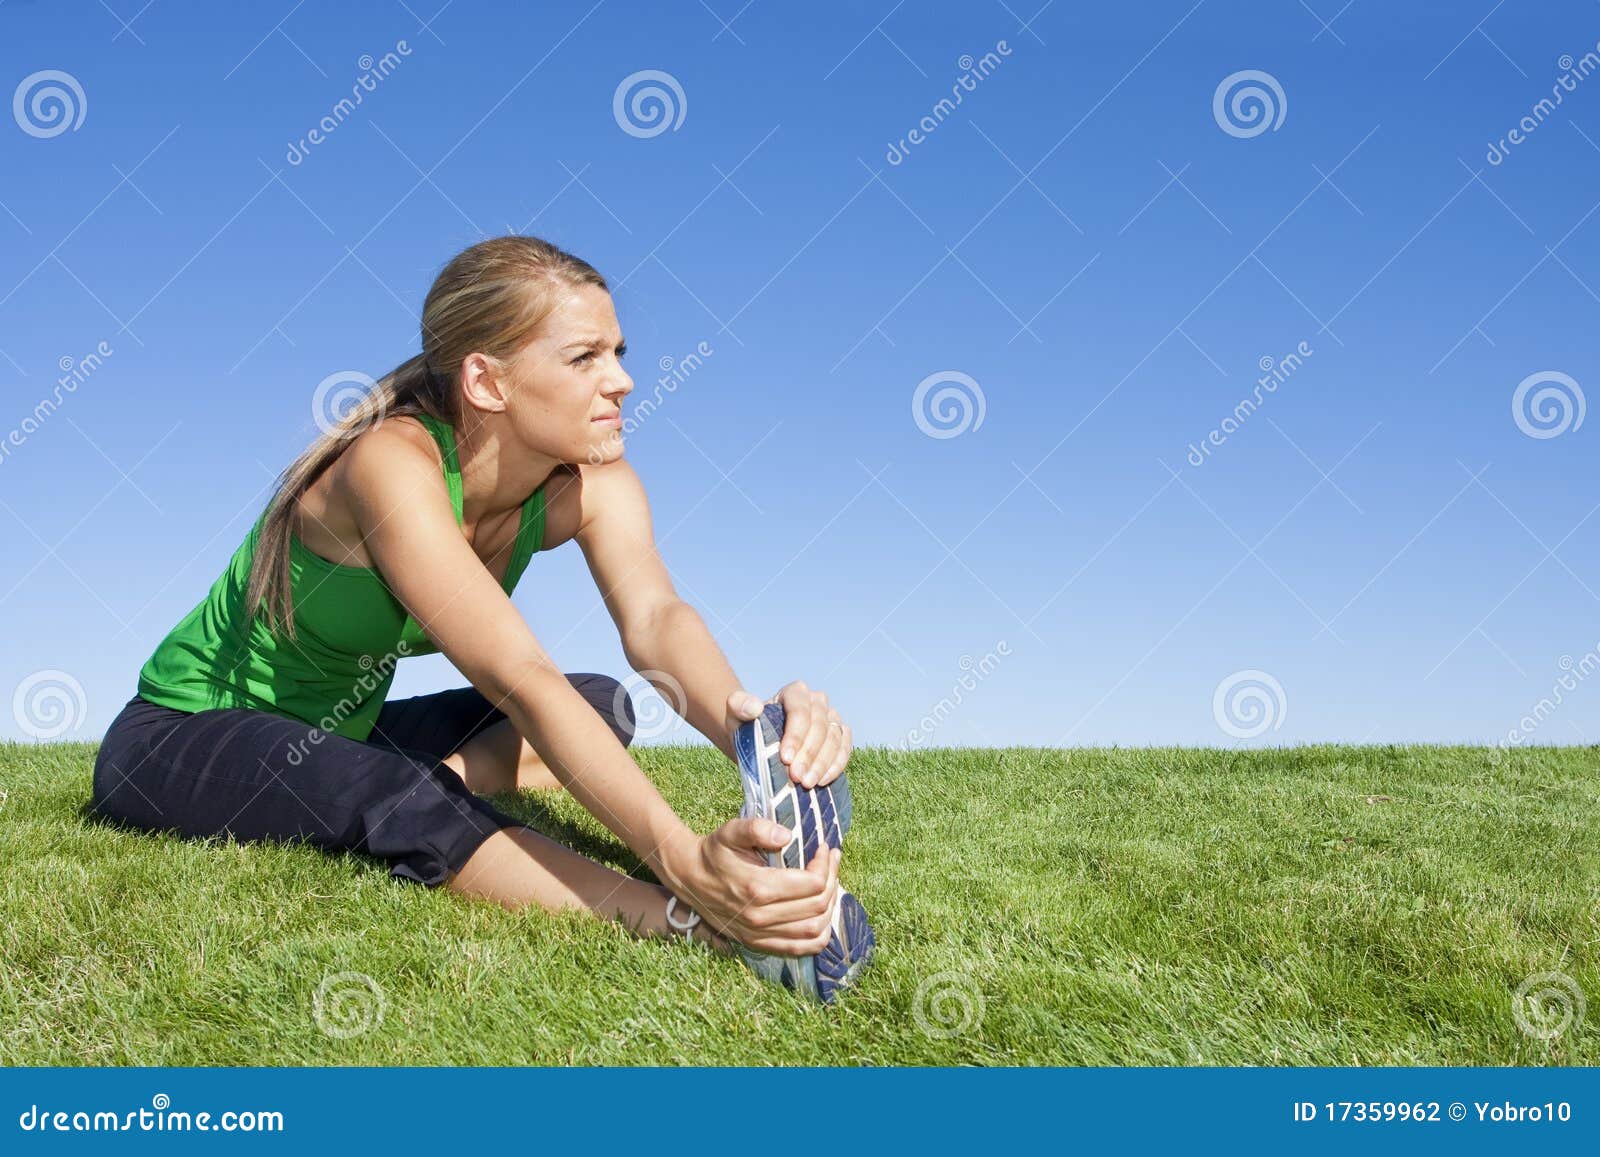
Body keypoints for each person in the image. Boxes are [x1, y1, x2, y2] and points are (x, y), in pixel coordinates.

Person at [92, 235, 856, 975]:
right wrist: (682, 865)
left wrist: (761, 737)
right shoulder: (389, 465)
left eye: (618, 352)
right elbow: (516, 673)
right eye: (585, 356)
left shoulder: (595, 483)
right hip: (178, 739)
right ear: (487, 382)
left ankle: (436, 787)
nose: (621, 379)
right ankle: (679, 921)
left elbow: (656, 620)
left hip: (347, 724)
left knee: (601, 705)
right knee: (415, 783)